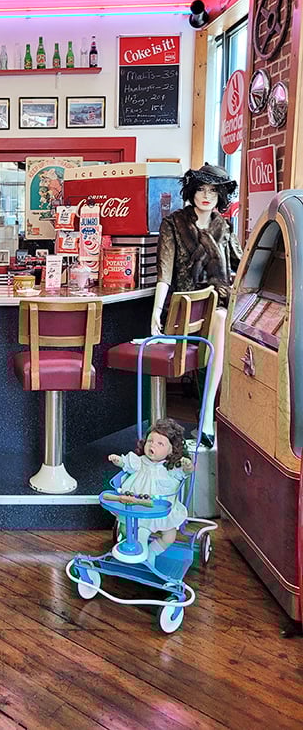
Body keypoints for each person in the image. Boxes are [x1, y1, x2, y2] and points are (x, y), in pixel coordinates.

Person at [152, 163, 242, 437]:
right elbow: (165, 272)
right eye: (201, 189)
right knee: (218, 319)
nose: (206, 196)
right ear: (192, 191)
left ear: (220, 196)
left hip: (217, 305)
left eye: (213, 191)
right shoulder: (173, 224)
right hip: (185, 308)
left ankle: (206, 414)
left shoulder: (223, 226)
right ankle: (206, 415)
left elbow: (242, 263)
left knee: (221, 317)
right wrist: (157, 311)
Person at [108, 418, 194, 560]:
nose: (152, 445)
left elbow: (185, 472)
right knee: (125, 526)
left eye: (160, 443)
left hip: (160, 508)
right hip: (135, 505)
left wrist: (187, 466)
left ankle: (152, 550)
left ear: (171, 450)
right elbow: (126, 464)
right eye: (150, 441)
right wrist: (118, 460)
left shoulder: (171, 467)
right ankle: (129, 544)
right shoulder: (139, 461)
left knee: (169, 536)